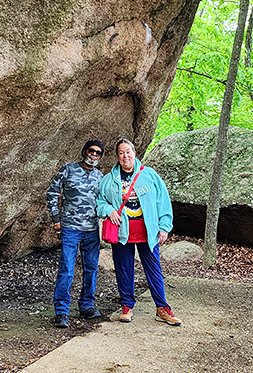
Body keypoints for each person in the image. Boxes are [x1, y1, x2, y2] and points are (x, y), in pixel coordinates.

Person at [97, 138, 181, 326]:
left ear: (134, 153)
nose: (125, 156)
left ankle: (162, 308)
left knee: (154, 269)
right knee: (124, 268)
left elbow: (163, 201)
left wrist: (164, 226)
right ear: (117, 156)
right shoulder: (109, 179)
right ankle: (127, 305)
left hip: (147, 230)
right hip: (122, 230)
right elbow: (99, 201)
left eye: (128, 152)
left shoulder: (149, 175)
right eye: (121, 153)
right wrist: (108, 210)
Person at [46, 140, 105, 328]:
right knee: (67, 269)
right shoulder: (68, 169)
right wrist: (56, 219)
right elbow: (52, 193)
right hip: (70, 228)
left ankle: (87, 305)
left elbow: (105, 200)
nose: (94, 155)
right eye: (91, 151)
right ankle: (61, 311)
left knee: (91, 268)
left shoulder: (100, 177)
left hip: (92, 230)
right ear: (84, 151)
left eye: (98, 153)